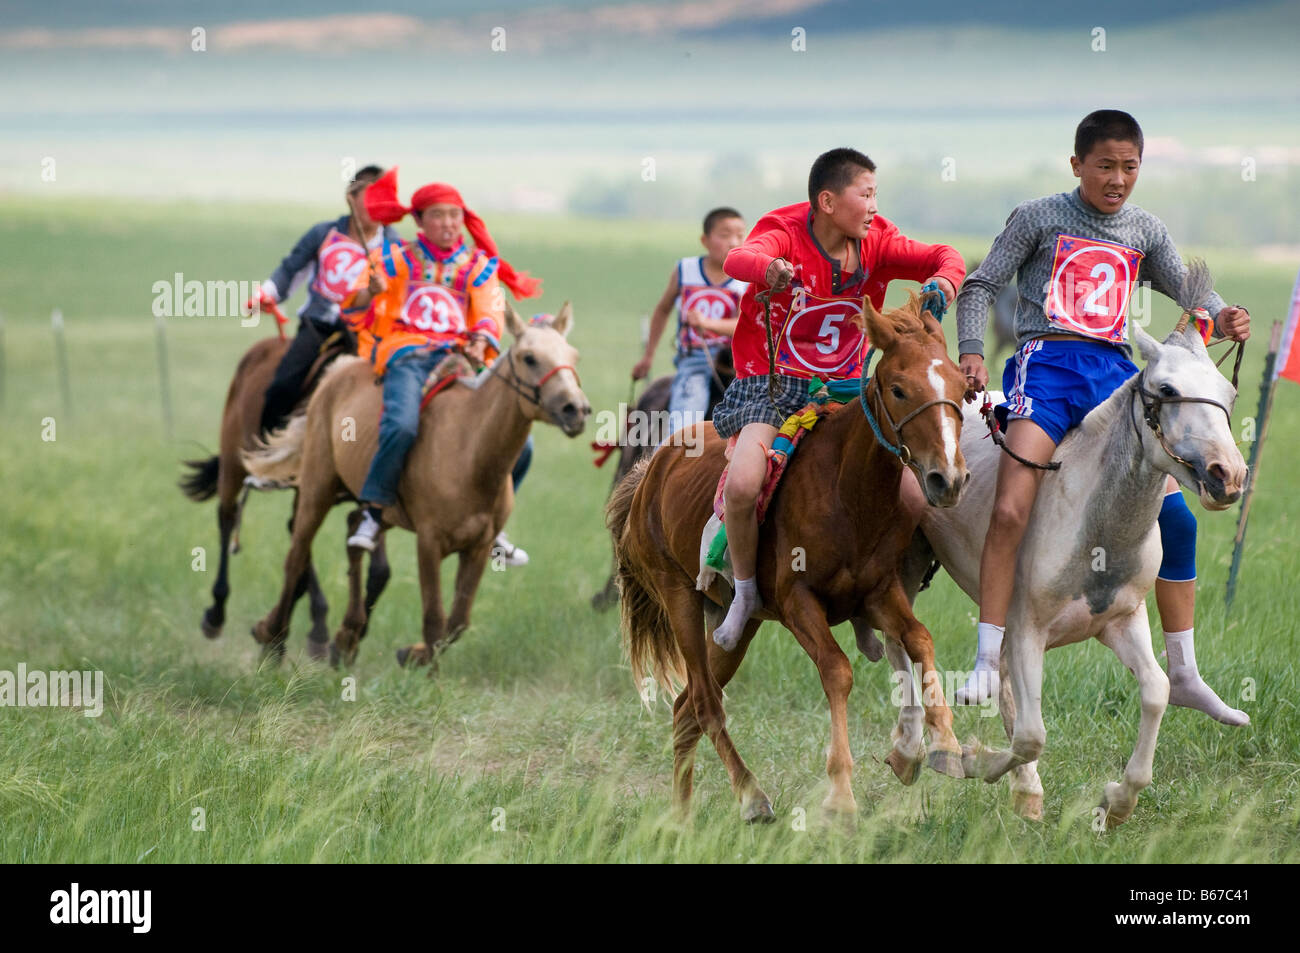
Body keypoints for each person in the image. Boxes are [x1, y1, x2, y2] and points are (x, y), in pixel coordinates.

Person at [953, 109, 1251, 725]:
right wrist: (973, 351)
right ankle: (987, 656)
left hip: (1117, 380)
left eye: (1130, 167)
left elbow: (1189, 291)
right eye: (1106, 166)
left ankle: (1185, 672)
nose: (1118, 179)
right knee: (1010, 506)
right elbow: (980, 284)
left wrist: (1222, 318)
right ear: (1077, 165)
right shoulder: (1038, 217)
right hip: (1048, 369)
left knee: (1179, 519)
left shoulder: (1144, 228)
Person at [710, 147, 965, 650]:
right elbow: (737, 258)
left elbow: (944, 256)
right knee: (743, 483)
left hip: (849, 391)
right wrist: (768, 270)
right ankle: (742, 592)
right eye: (865, 194)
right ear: (827, 201)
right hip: (773, 385)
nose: (874, 206)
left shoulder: (879, 241)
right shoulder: (783, 231)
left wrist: (944, 281)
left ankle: (871, 594)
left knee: (914, 497)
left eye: (876, 195)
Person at [341, 168, 542, 560]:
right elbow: (357, 303)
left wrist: (482, 337)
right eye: (438, 215)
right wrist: (371, 289)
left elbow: (489, 310)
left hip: (461, 358)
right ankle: (374, 510)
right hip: (408, 355)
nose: (449, 223)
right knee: (400, 425)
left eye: (454, 215)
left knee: (525, 444)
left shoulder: (477, 266)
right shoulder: (394, 259)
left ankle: (493, 526)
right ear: (418, 220)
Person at [252, 165, 400, 435]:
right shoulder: (324, 234)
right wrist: (267, 294)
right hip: (319, 324)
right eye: (369, 198)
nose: (375, 206)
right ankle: (266, 455)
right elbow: (291, 268)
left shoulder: (395, 247)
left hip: (368, 330)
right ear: (351, 198)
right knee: (284, 384)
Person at [632, 208, 748, 436]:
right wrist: (648, 355)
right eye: (724, 235)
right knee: (684, 421)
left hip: (736, 362)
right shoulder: (685, 270)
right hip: (695, 359)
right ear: (705, 240)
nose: (733, 242)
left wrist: (707, 323)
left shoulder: (745, 278)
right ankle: (668, 457)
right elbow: (663, 309)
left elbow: (745, 325)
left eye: (740, 235)